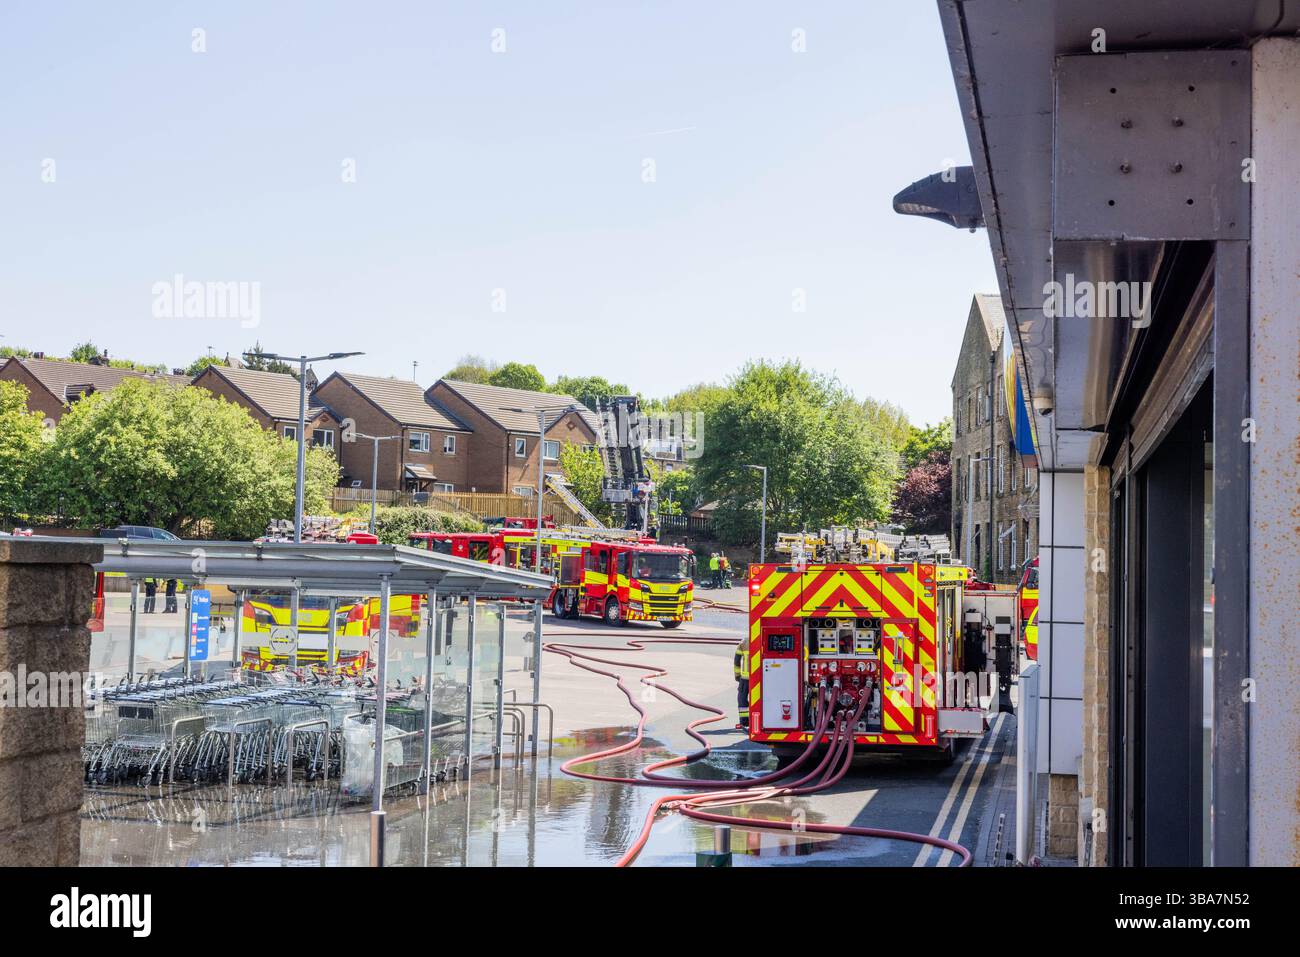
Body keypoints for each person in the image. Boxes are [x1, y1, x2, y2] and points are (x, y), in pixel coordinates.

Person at [733, 637, 750, 730]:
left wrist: (737, 675)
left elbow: (737, 660)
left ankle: (744, 721)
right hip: (761, 678)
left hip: (745, 678)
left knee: (742, 699)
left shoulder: (744, 642)